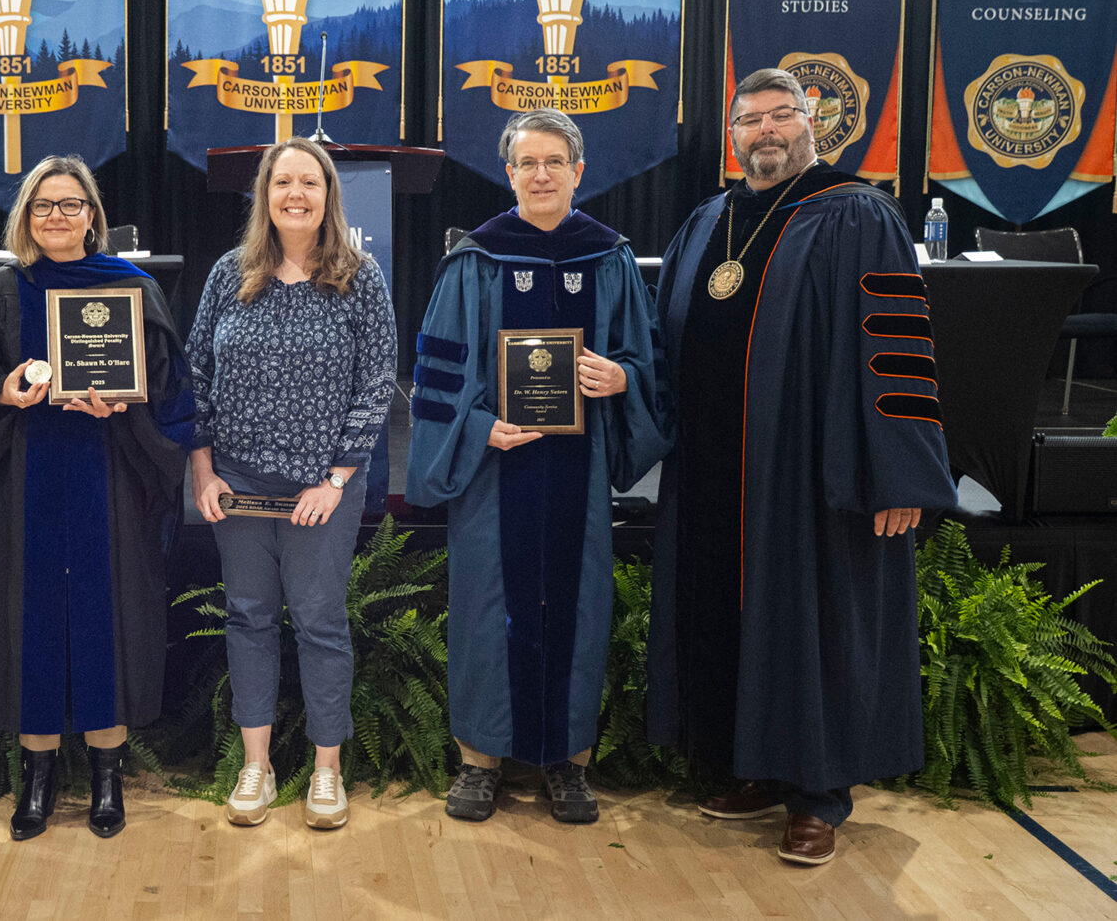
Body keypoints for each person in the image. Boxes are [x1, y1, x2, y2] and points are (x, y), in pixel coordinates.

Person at [648, 67, 956, 865]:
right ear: (733, 135)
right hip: (711, 473)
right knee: (732, 621)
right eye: (750, 121)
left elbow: (896, 356)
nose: (766, 132)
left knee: (811, 626)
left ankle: (818, 796)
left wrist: (899, 476)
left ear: (811, 122)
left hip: (807, 478)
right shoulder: (708, 221)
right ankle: (752, 767)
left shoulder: (855, 213)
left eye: (781, 115)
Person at [406, 109, 670, 825]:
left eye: (555, 161)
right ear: (509, 172)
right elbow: (437, 374)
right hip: (496, 475)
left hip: (578, 480)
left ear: (579, 171)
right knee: (488, 608)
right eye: (528, 162)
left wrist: (621, 381)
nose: (542, 174)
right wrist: (479, 427)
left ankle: (567, 761)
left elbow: (647, 362)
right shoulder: (476, 259)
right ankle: (479, 759)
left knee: (578, 609)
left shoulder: (609, 257)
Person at [0, 156, 194, 841]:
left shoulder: (133, 289)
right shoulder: (2, 291)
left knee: (104, 613)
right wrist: (4, 388)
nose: (56, 217)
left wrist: (128, 404)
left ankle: (108, 775)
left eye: (70, 204)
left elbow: (173, 391)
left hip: (110, 473)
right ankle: (37, 778)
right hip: (28, 476)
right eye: (42, 206)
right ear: (25, 217)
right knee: (30, 618)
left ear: (94, 215)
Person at [187, 136, 397, 830]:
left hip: (322, 490)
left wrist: (336, 478)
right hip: (239, 484)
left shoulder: (360, 276)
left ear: (329, 195)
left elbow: (377, 384)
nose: (296, 194)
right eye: (283, 183)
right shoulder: (229, 273)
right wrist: (203, 469)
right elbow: (196, 378)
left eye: (309, 182)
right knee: (247, 615)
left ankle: (328, 770)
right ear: (265, 195)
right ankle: (257, 764)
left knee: (319, 621)